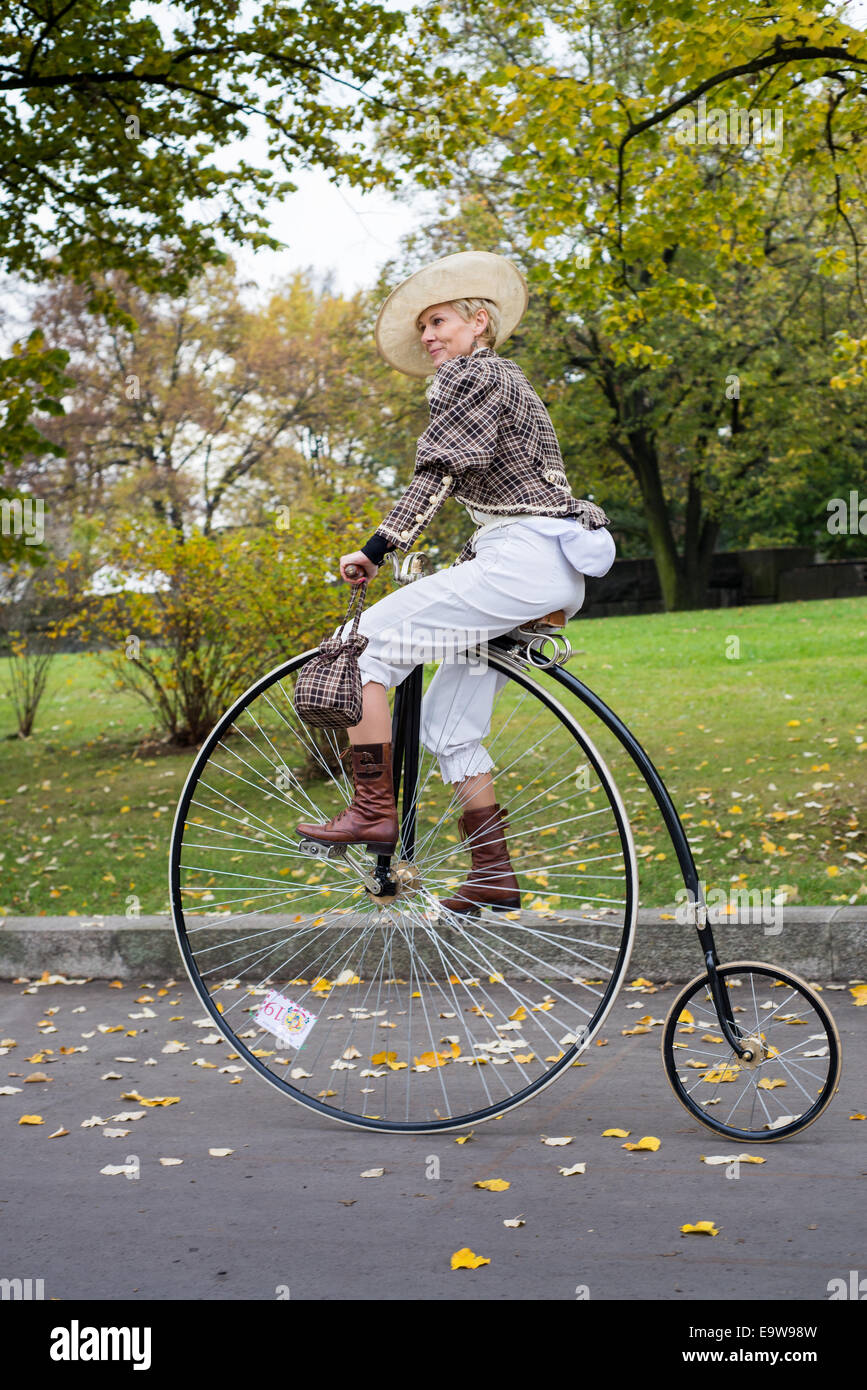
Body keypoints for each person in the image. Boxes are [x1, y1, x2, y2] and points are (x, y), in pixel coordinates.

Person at [296, 250, 616, 914]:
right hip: (544, 566)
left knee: (358, 652)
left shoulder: (477, 375)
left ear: (478, 321)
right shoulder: (499, 383)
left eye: (438, 321)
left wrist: (377, 547)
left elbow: (438, 468)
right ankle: (492, 872)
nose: (430, 337)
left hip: (521, 560)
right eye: (423, 330)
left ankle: (370, 811)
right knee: (448, 730)